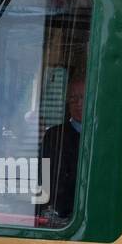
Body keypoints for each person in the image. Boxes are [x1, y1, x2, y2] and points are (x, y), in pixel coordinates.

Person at [40, 68, 85, 219]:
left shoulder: (106, 136)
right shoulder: (54, 135)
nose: (78, 104)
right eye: (73, 98)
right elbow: (46, 180)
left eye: (83, 97)